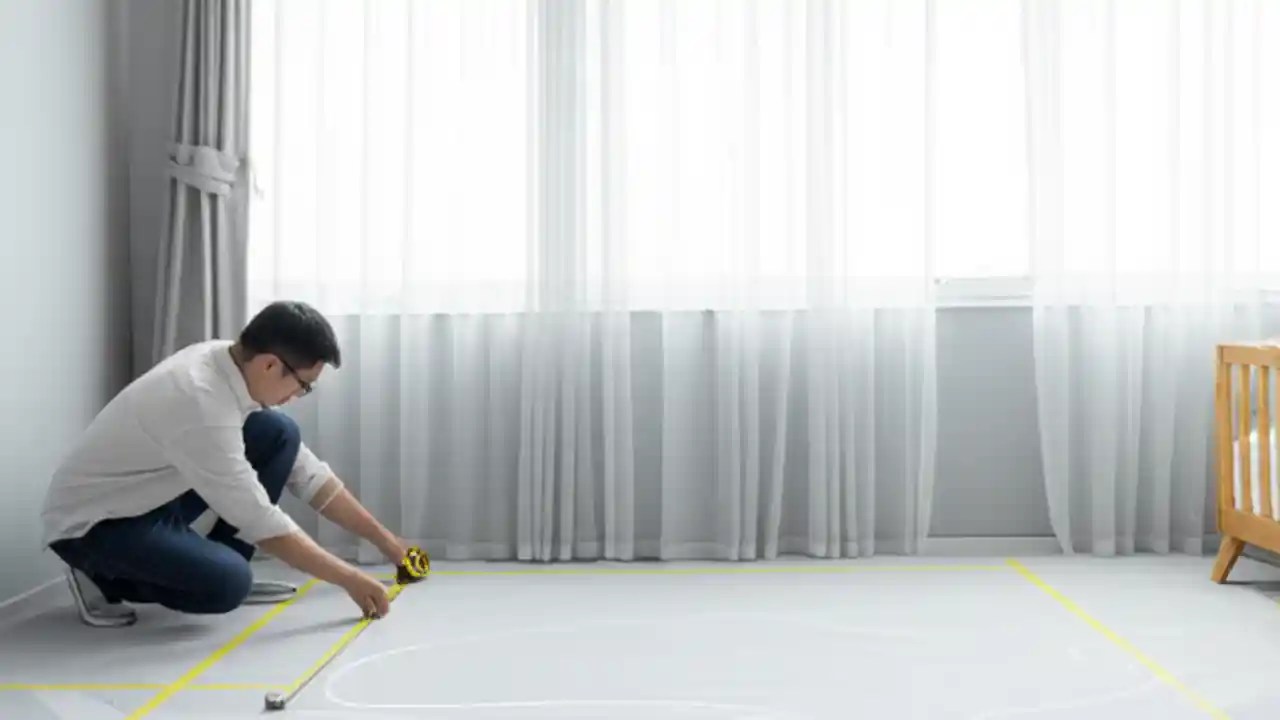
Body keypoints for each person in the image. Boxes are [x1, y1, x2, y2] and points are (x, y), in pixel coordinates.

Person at [41, 300, 413, 627]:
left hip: (149, 497)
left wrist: (389, 544)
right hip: (95, 525)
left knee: (278, 433)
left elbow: (308, 475)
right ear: (270, 365)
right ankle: (99, 577)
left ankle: (216, 561)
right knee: (227, 586)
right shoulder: (199, 399)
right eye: (304, 385)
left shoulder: (232, 362)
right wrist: (350, 578)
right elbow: (259, 519)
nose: (300, 395)